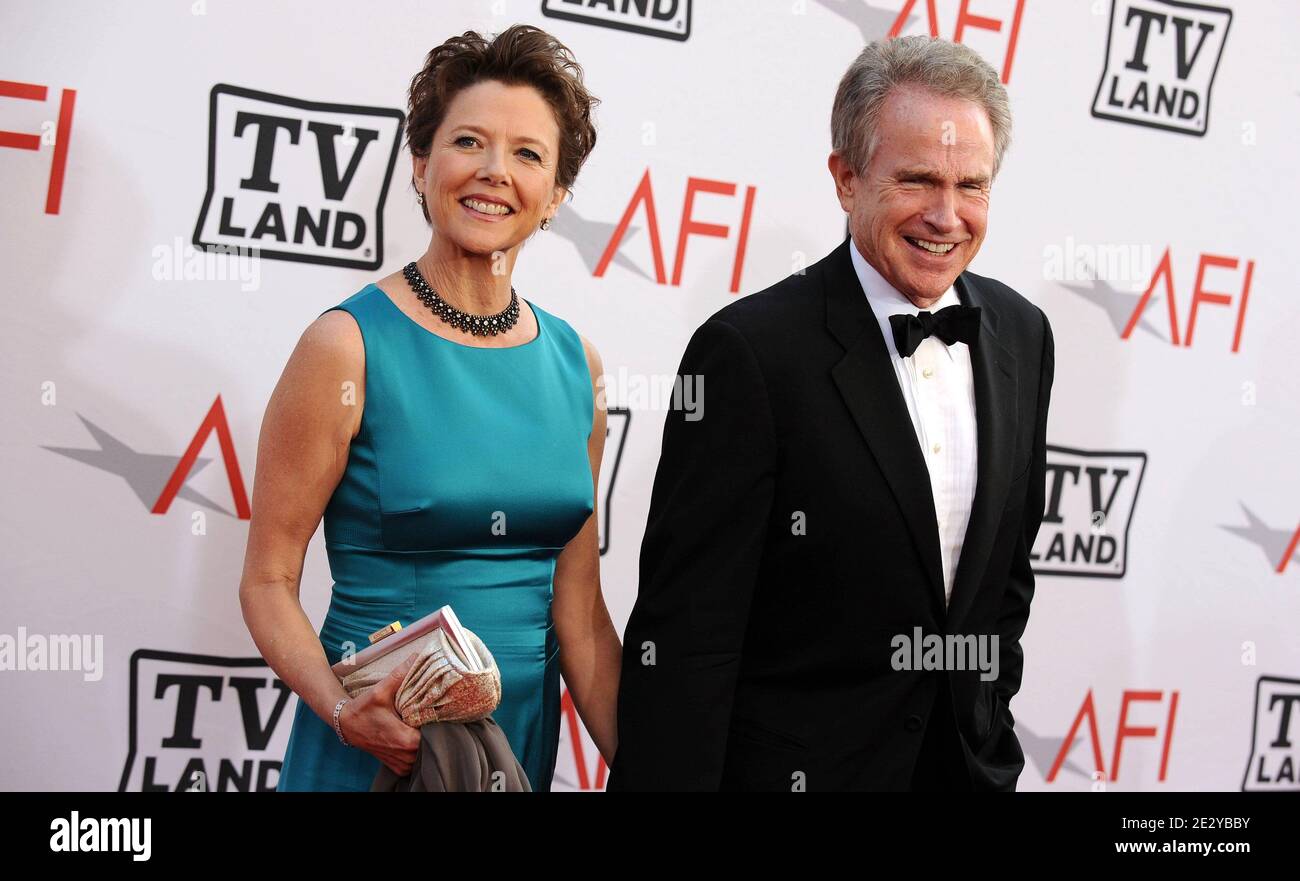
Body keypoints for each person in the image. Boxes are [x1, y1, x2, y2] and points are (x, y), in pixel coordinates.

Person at [608, 35, 1055, 791]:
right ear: (846, 180)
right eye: (917, 180)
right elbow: (689, 639)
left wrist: (989, 738)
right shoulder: (749, 353)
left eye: (971, 185)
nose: (947, 216)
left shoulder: (1021, 334)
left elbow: (1004, 588)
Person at [240, 24, 622, 792]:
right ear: (420, 165)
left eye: (527, 154)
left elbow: (579, 617)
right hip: (378, 744)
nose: (492, 172)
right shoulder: (346, 347)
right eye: (468, 141)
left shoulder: (575, 363)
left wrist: (653, 764)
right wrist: (345, 714)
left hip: (509, 756)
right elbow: (268, 581)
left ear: (557, 196)